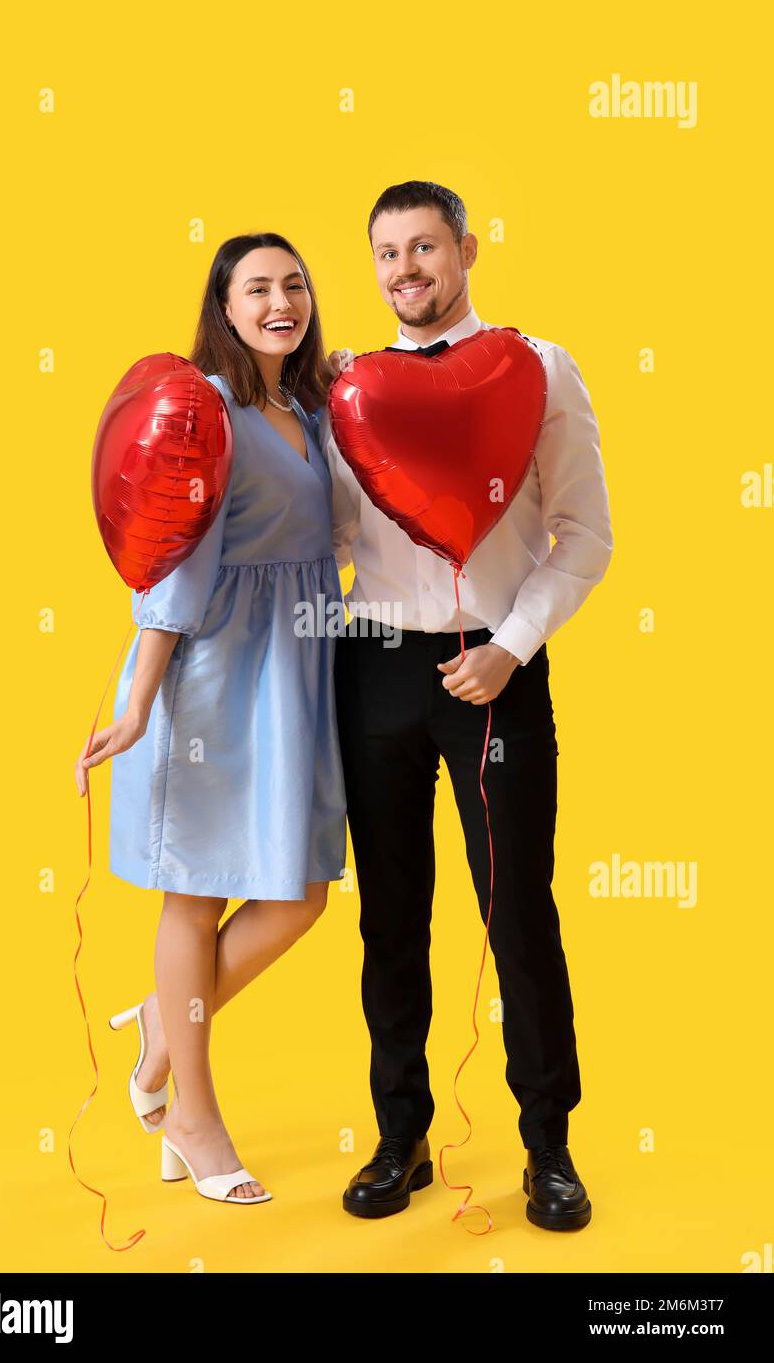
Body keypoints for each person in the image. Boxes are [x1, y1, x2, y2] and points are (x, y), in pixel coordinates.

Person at [321, 180, 613, 1228]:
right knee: (391, 920)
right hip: (376, 670)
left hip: (496, 669)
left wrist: (510, 646)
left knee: (518, 911)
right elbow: (330, 536)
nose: (406, 270)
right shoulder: (347, 386)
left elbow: (585, 531)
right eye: (387, 254)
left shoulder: (540, 370)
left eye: (425, 248)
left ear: (468, 251)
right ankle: (399, 1137)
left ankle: (549, 1147)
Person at [75, 233, 347, 1204]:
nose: (282, 300)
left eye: (295, 283)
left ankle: (161, 1026)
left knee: (300, 894)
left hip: (297, 672)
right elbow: (173, 567)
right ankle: (192, 1116)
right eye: (258, 288)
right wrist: (140, 704)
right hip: (210, 675)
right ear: (223, 308)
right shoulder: (208, 411)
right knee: (194, 894)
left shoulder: (307, 405)